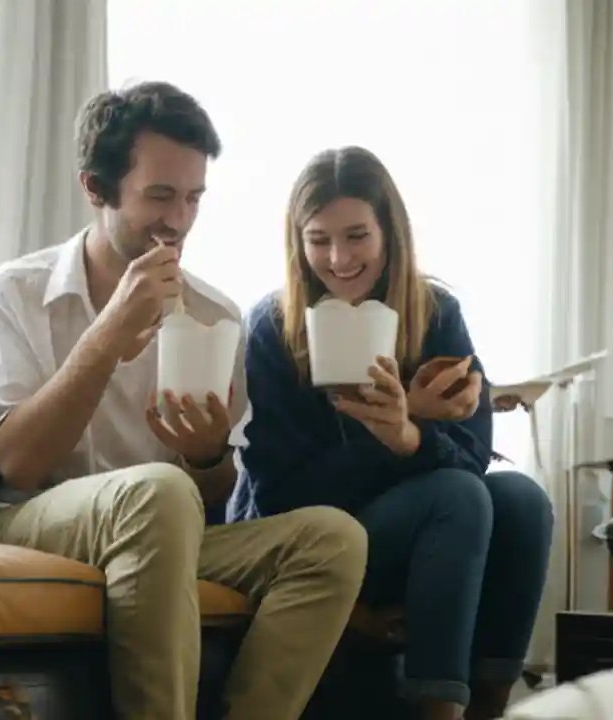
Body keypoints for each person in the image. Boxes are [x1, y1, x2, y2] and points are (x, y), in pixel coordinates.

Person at [0, 81, 368, 720]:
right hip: (34, 520)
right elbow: (17, 462)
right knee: (159, 492)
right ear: (95, 188)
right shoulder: (13, 293)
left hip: (162, 526)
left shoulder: (214, 314)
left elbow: (211, 496)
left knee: (334, 538)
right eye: (159, 195)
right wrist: (108, 334)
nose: (179, 220)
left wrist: (207, 456)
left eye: (193, 197)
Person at [229, 146, 554, 720]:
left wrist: (409, 436)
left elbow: (473, 453)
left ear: (389, 234)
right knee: (454, 494)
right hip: (308, 533)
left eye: (357, 236)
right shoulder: (272, 328)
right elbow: (280, 496)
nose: (338, 258)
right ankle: (437, 711)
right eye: (318, 239)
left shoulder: (435, 312)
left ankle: (490, 707)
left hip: (418, 524)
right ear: (298, 243)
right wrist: (389, 439)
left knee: (522, 499)